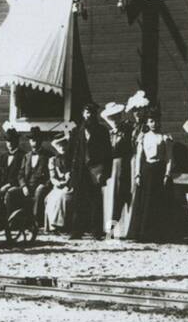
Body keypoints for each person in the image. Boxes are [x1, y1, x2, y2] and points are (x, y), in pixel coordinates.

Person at [128, 107, 174, 242]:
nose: (154, 124)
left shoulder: (165, 138)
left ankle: (158, 234)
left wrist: (167, 174)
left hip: (159, 171)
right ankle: (143, 233)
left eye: (156, 121)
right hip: (147, 170)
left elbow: (169, 158)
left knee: (158, 202)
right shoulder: (143, 138)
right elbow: (139, 157)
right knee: (145, 202)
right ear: (147, 123)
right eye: (151, 121)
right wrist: (137, 174)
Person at [66, 102, 112, 237]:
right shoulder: (76, 131)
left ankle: (96, 231)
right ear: (83, 114)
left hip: (95, 170)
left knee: (95, 200)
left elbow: (108, 154)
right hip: (80, 170)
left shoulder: (102, 131)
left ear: (95, 115)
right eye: (87, 112)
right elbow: (69, 152)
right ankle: (76, 231)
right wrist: (68, 169)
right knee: (78, 201)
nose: (89, 115)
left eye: (92, 113)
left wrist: (105, 172)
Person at [102, 102, 135, 238]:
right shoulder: (108, 134)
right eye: (111, 118)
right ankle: (109, 230)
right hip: (110, 167)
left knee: (121, 196)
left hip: (123, 165)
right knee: (110, 199)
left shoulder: (127, 132)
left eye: (116, 117)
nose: (114, 120)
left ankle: (122, 229)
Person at [19, 126, 51, 225]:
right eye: (32, 139)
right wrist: (24, 186)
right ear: (29, 141)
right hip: (27, 186)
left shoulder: (48, 155)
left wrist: (45, 184)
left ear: (41, 140)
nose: (35, 142)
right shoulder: (26, 156)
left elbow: (51, 175)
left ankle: (35, 222)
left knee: (39, 191)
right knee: (11, 193)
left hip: (42, 186)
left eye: (37, 139)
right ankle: (12, 222)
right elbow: (20, 174)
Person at [44, 150, 76, 235]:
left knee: (61, 197)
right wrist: (58, 183)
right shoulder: (53, 160)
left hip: (71, 186)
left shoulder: (73, 159)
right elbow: (53, 177)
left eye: (63, 145)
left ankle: (60, 225)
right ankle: (52, 226)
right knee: (50, 197)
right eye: (58, 146)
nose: (61, 148)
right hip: (59, 186)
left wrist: (67, 182)